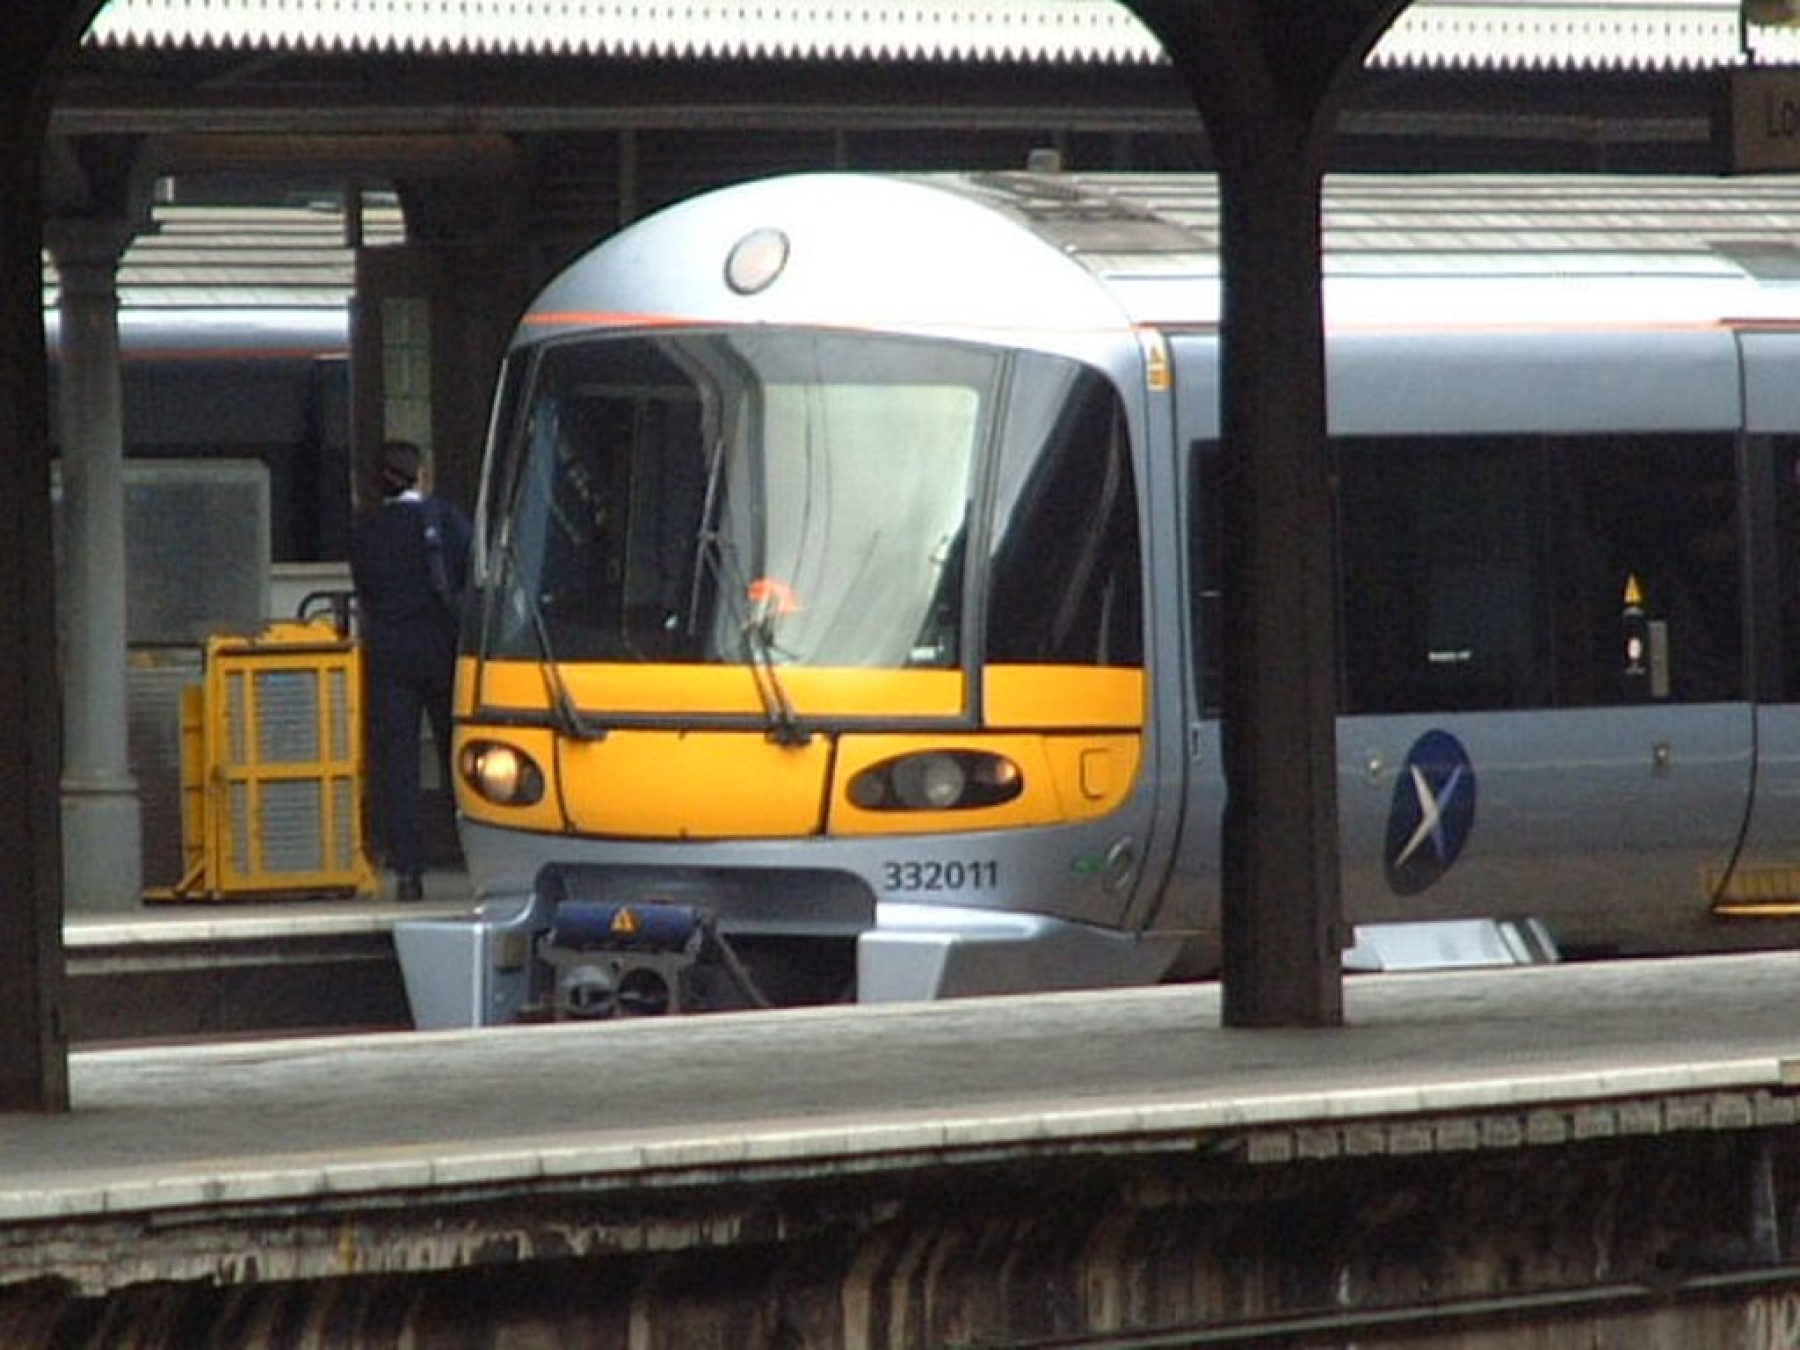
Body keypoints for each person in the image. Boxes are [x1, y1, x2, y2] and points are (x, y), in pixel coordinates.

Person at [349, 440, 473, 901]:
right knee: (455, 754)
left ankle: (408, 869)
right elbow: (473, 574)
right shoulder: (444, 519)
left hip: (389, 656)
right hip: (441, 648)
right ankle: (469, 851)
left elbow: (365, 591)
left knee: (396, 763)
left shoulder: (366, 532)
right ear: (422, 474)